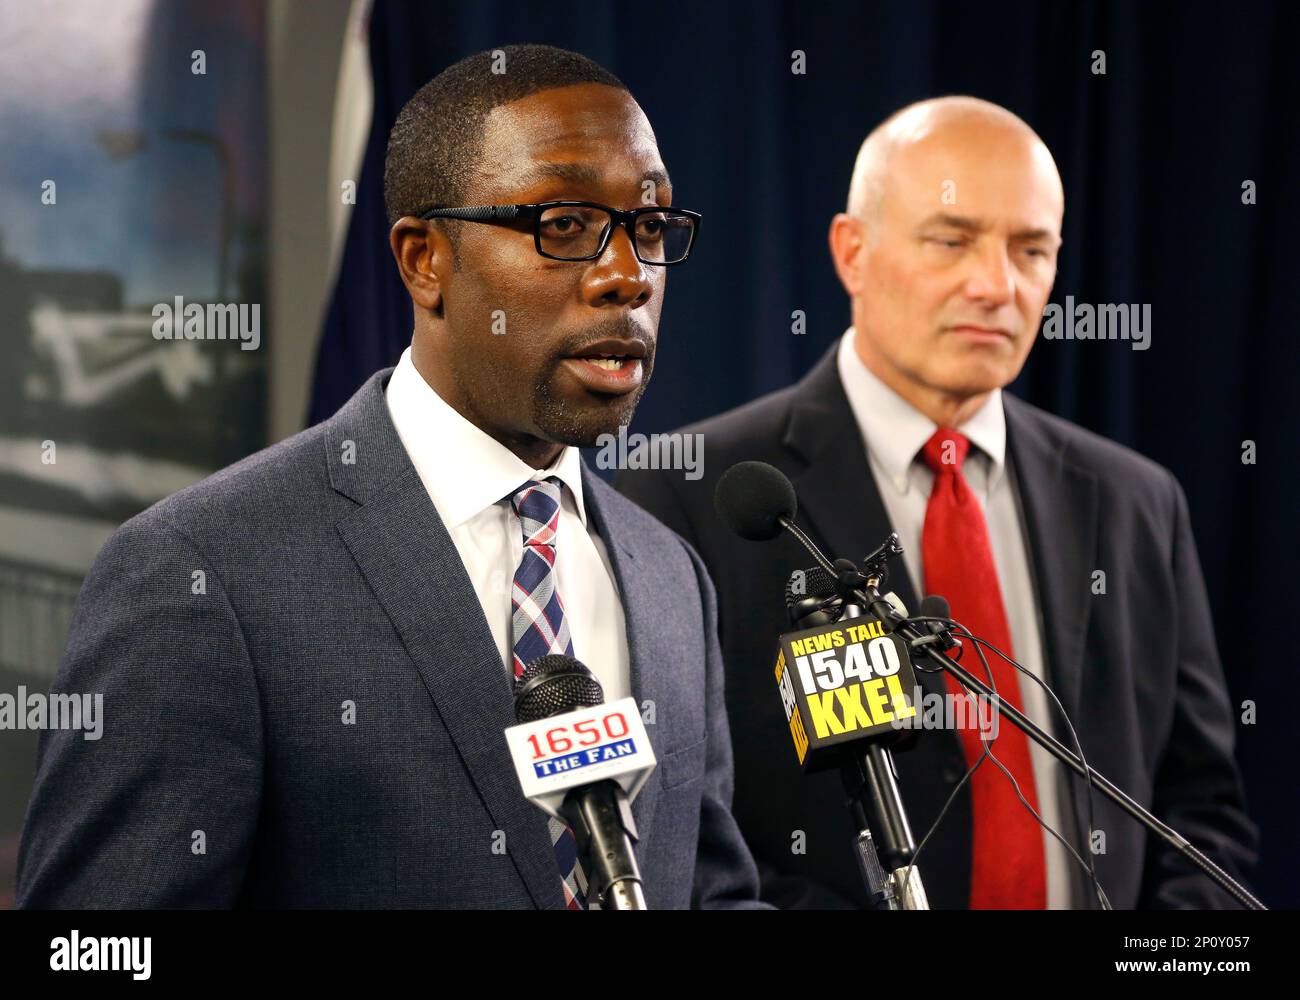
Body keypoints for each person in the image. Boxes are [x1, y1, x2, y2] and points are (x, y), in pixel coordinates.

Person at [17, 44, 761, 910]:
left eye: (650, 226)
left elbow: (710, 893)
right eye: (563, 224)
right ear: (424, 261)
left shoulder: (671, 576)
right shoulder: (202, 572)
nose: (627, 275)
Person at [617, 96, 1258, 909]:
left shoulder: (1138, 502)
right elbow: (682, 836)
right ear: (853, 253)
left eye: (1032, 250)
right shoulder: (694, 492)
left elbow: (1202, 817)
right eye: (952, 241)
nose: (997, 286)